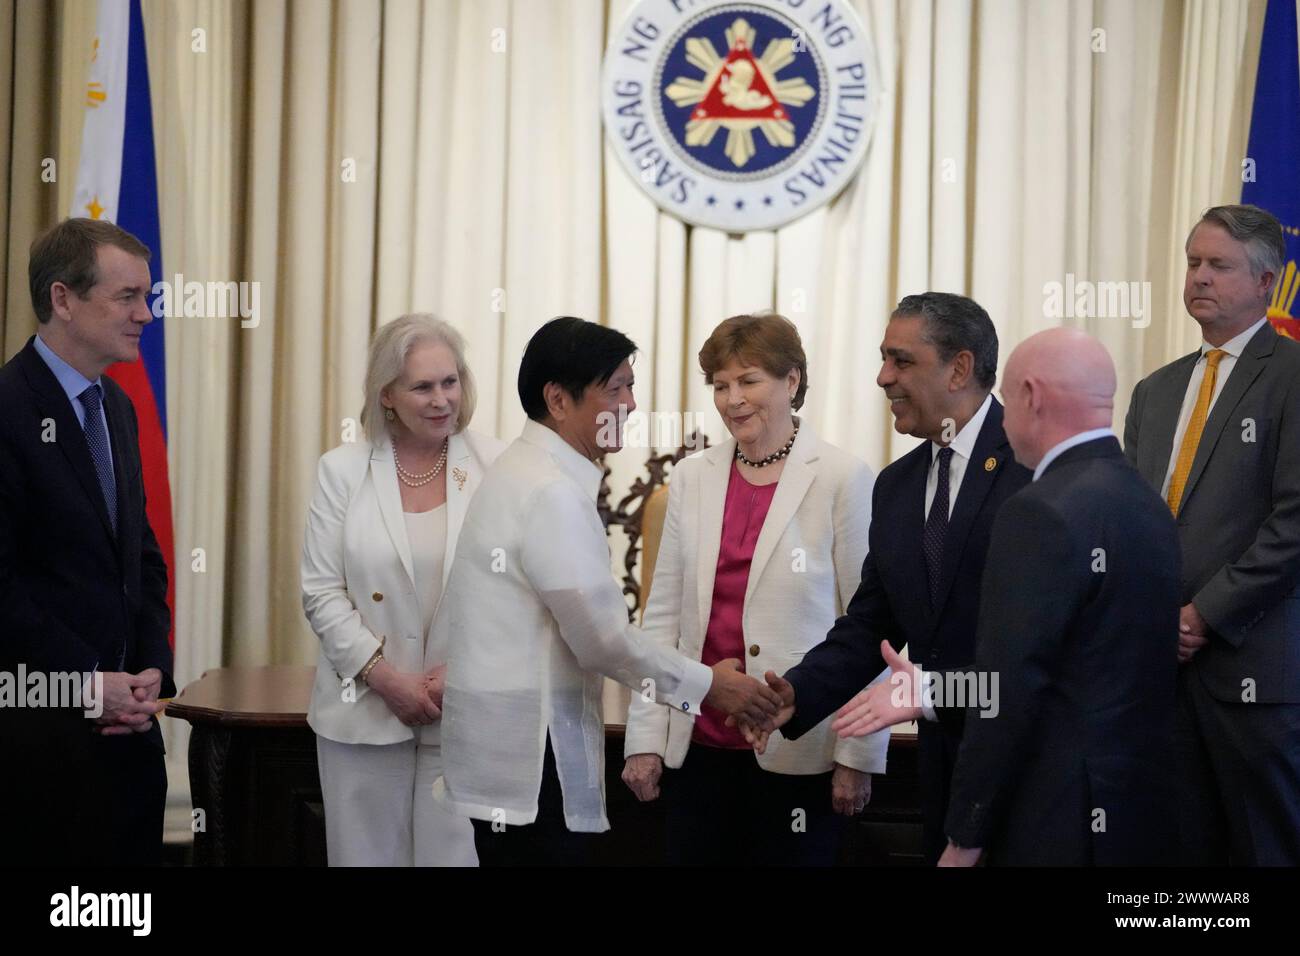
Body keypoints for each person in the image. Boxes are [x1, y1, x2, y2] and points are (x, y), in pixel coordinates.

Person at [433, 316, 783, 866]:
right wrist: (709, 686)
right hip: (533, 762)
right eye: (615, 388)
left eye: (631, 385)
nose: (631, 404)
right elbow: (601, 640)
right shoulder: (548, 490)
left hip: (509, 758)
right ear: (558, 399)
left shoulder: (521, 470)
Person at [834, 329, 1182, 865]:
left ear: (1033, 398)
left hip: (1049, 817)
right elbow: (1077, 670)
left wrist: (965, 835)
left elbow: (1013, 689)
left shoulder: (1038, 511)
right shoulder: (1147, 505)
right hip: (1139, 815)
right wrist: (933, 691)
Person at [734, 292, 1033, 863]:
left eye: (901, 361)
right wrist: (797, 692)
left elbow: (1046, 643)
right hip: (943, 767)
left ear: (960, 367)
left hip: (1031, 766)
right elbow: (873, 620)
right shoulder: (897, 486)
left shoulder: (1032, 466)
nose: (882, 377)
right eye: (882, 359)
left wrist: (945, 691)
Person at [621, 313, 888, 866]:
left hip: (802, 751)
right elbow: (661, 618)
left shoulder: (843, 476)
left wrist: (858, 753)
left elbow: (868, 625)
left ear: (792, 381)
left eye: (748, 381)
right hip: (697, 743)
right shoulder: (693, 478)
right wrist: (644, 737)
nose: (732, 399)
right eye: (720, 385)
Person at [1123, 204, 1300, 865]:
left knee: (1263, 850)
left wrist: (1204, 615)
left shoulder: (1291, 376)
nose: (1198, 276)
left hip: (1251, 668)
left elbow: (1294, 522)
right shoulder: (1155, 390)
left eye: (1218, 265)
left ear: (1265, 281)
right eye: (1193, 262)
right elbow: (1133, 522)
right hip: (1156, 672)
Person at [0, 218, 174, 865]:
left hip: (128, 745)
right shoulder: (8, 410)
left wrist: (153, 670)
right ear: (63, 299)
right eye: (127, 296)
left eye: (147, 297)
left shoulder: (117, 409)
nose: (145, 315)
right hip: (37, 752)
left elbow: (144, 563)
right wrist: (83, 683)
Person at [301, 314, 505, 866]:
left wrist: (461, 673)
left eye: (450, 381)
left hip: (462, 709)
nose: (442, 399)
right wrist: (386, 679)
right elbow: (321, 592)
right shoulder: (340, 470)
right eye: (423, 386)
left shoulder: (497, 465)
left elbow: (520, 596)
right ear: (387, 393)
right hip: (364, 710)